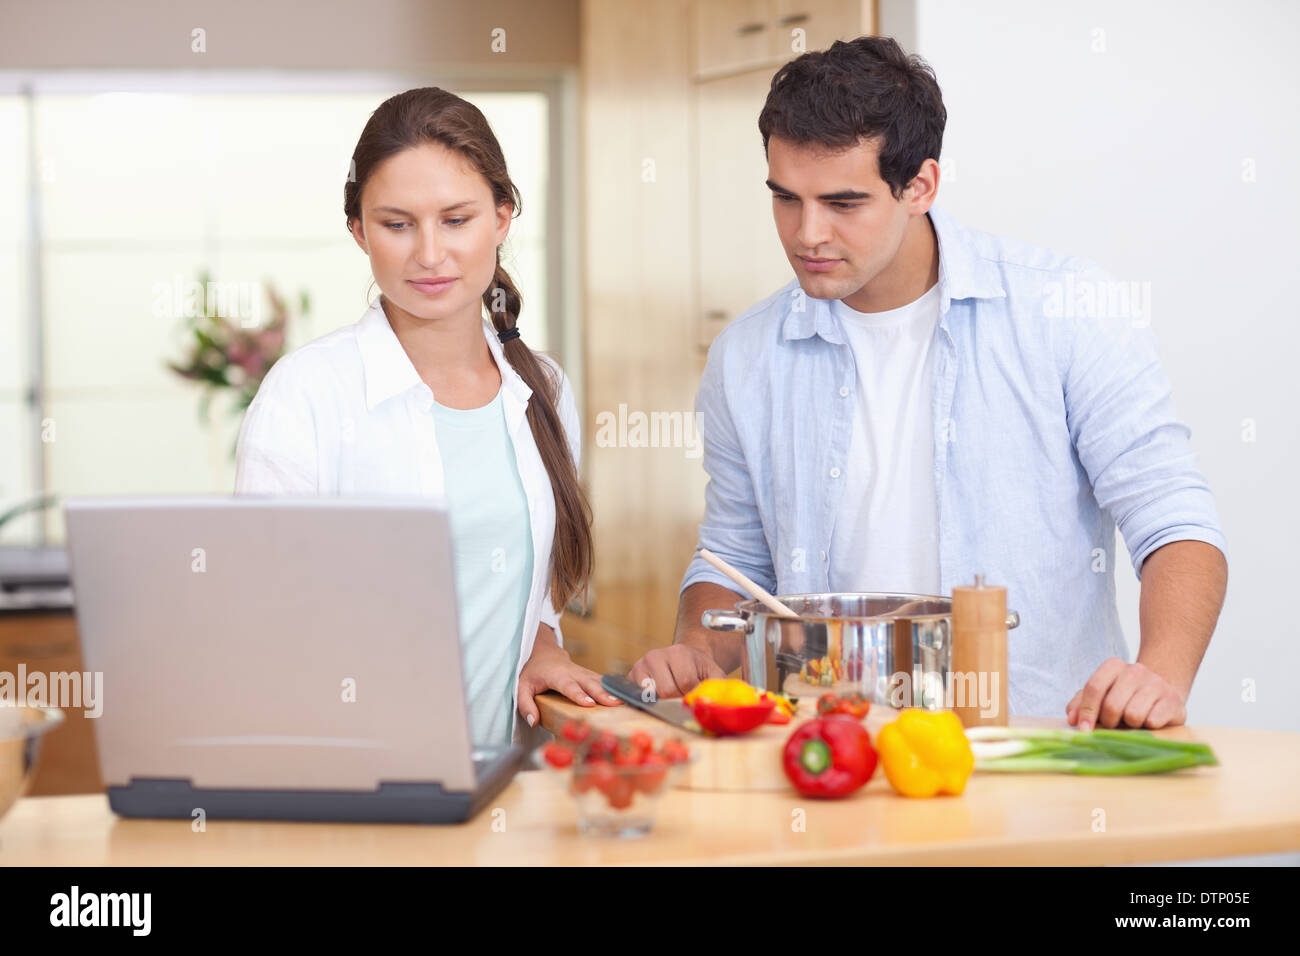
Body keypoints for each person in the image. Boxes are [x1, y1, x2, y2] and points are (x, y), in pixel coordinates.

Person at [629, 37, 1228, 732]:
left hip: (1034, 753)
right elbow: (734, 563)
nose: (807, 233)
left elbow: (1174, 524)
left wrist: (1160, 675)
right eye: (786, 199)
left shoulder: (1065, 310)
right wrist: (700, 651)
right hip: (824, 756)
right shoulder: (746, 357)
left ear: (920, 186)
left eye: (842, 202)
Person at [235, 87, 620, 748]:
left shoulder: (544, 391)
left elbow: (526, 589)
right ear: (359, 231)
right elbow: (263, 619)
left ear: (502, 218)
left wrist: (545, 642)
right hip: (356, 782)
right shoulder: (305, 394)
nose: (430, 254)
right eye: (397, 224)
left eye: (456, 219)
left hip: (504, 791)